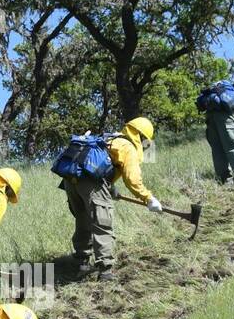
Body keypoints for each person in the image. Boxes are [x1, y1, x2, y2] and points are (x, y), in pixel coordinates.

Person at [60, 119, 161, 280]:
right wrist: (148, 198)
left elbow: (101, 165)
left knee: (83, 220)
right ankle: (105, 270)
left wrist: (111, 188)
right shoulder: (128, 147)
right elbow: (132, 179)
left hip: (71, 180)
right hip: (92, 183)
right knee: (102, 223)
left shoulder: (110, 138)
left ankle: (81, 263)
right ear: (140, 136)